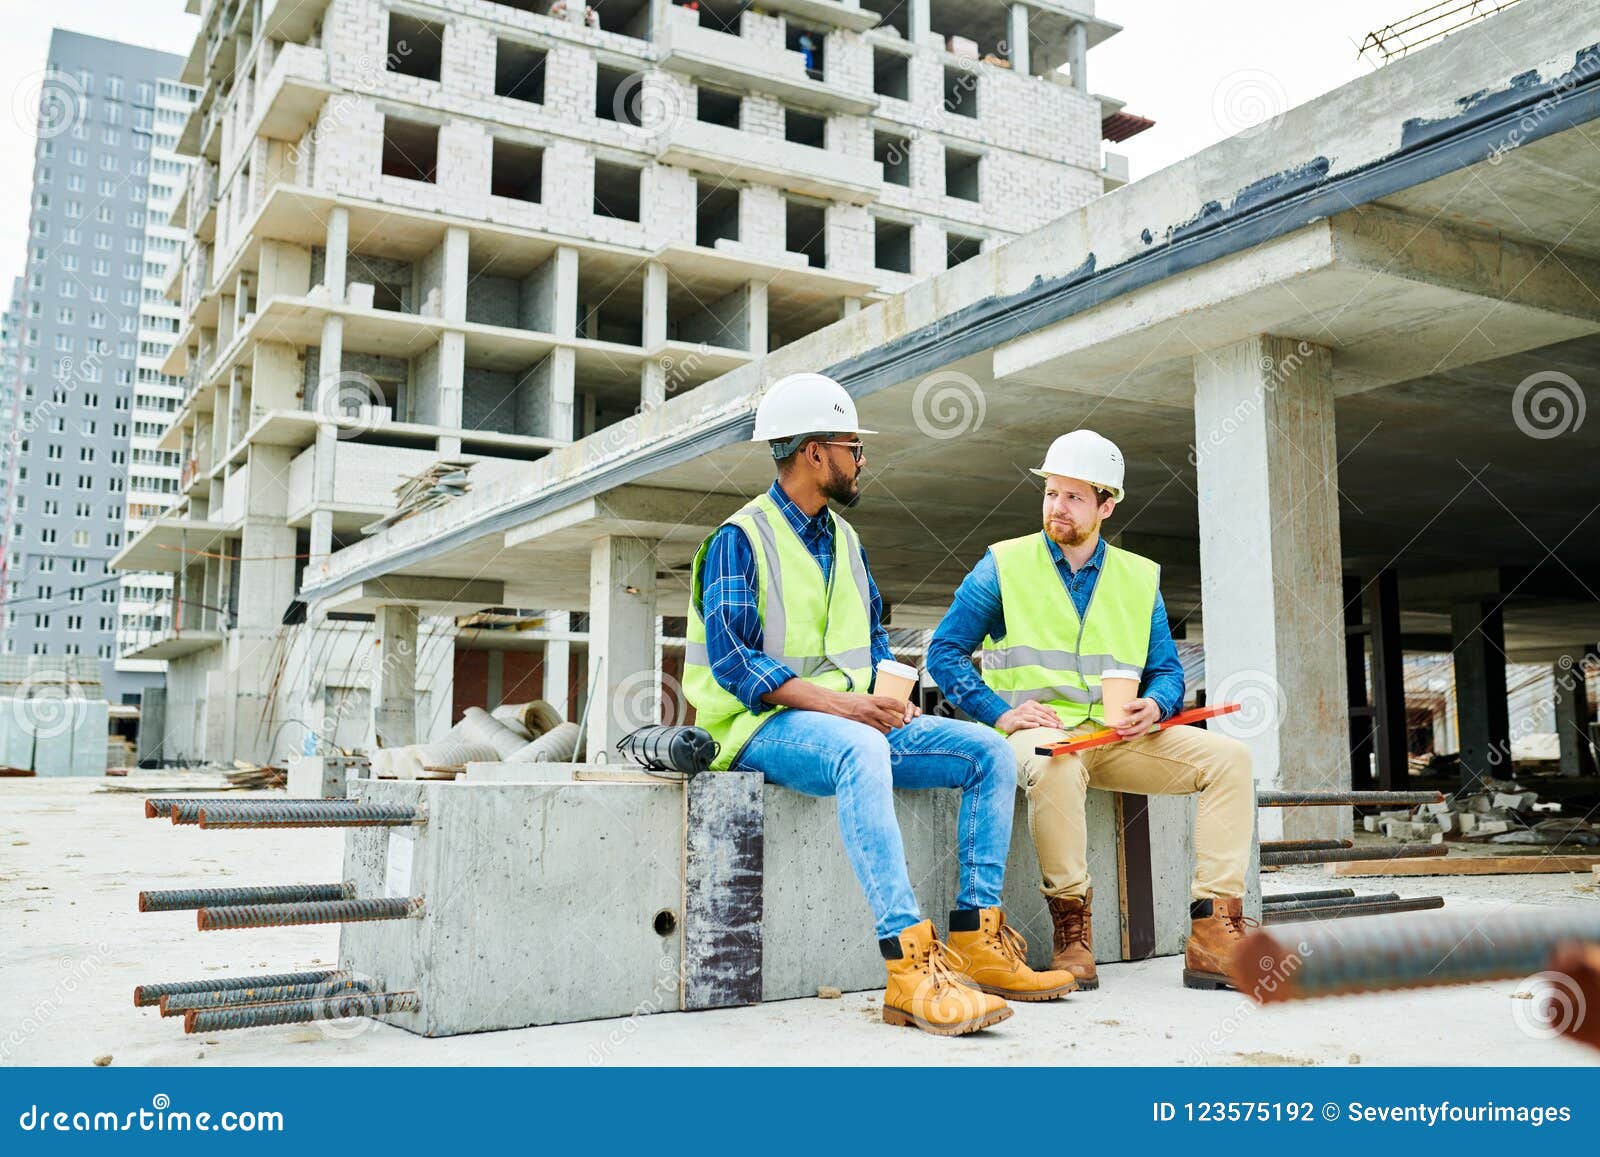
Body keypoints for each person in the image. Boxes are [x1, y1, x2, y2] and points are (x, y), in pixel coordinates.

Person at [684, 373, 1076, 1036]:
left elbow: (868, 641)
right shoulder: (739, 538)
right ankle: (909, 967)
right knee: (862, 746)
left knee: (985, 752)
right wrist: (847, 709)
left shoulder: (845, 540)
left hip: (846, 722)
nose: (861, 460)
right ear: (814, 453)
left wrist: (887, 699)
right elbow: (735, 660)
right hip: (757, 729)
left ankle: (977, 937)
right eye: (852, 448)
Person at [927, 430, 1255, 992]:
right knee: (1055, 765)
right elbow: (945, 652)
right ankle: (1071, 932)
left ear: (1107, 505)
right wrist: (1001, 714)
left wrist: (1156, 703)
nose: (1058, 507)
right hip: (1043, 737)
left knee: (1230, 759)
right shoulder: (1002, 566)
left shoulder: (1137, 576)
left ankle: (1214, 933)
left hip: (1119, 738)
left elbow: (1168, 669)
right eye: (1052, 493)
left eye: (1074, 497)